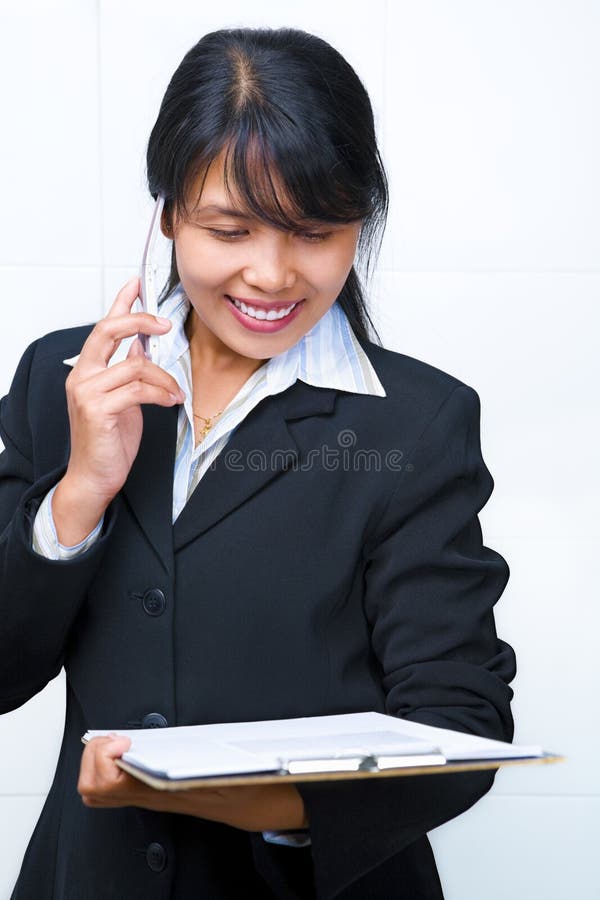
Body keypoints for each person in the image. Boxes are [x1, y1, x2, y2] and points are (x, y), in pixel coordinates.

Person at [0, 26, 516, 900]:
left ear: (360, 222)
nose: (272, 275)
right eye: (229, 229)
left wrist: (239, 801)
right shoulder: (68, 382)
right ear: (168, 213)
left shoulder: (419, 423)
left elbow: (458, 728)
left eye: (314, 231)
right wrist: (80, 490)